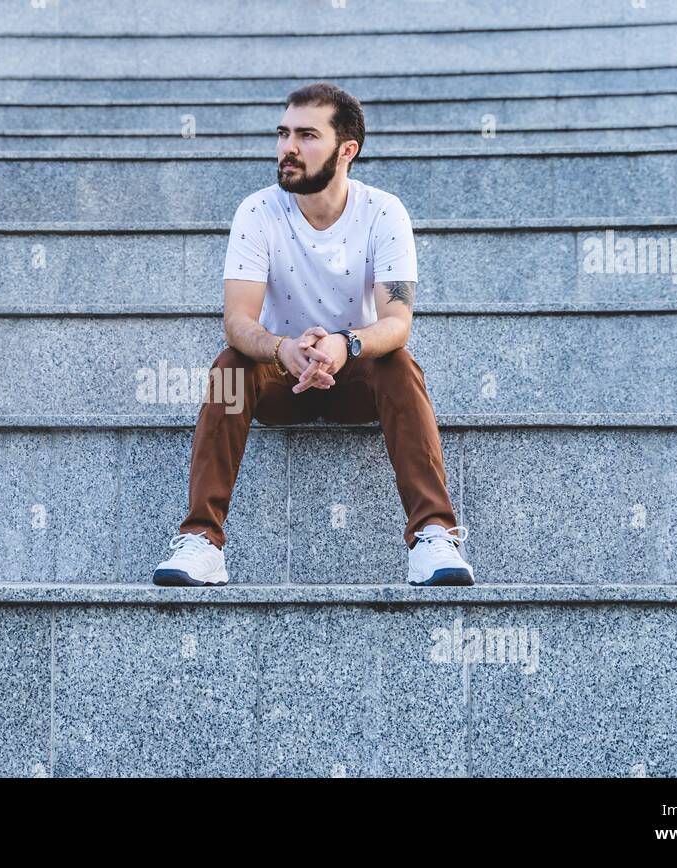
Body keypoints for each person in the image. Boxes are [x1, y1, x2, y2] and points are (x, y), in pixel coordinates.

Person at [152, 82, 474, 588]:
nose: (288, 148)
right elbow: (237, 321)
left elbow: (397, 322)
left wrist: (344, 346)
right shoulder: (258, 212)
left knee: (400, 363)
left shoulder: (384, 212)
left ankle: (434, 534)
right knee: (229, 369)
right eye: (283, 134)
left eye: (306, 135)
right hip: (282, 381)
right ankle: (203, 542)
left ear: (347, 150)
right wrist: (283, 349)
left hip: (355, 380)